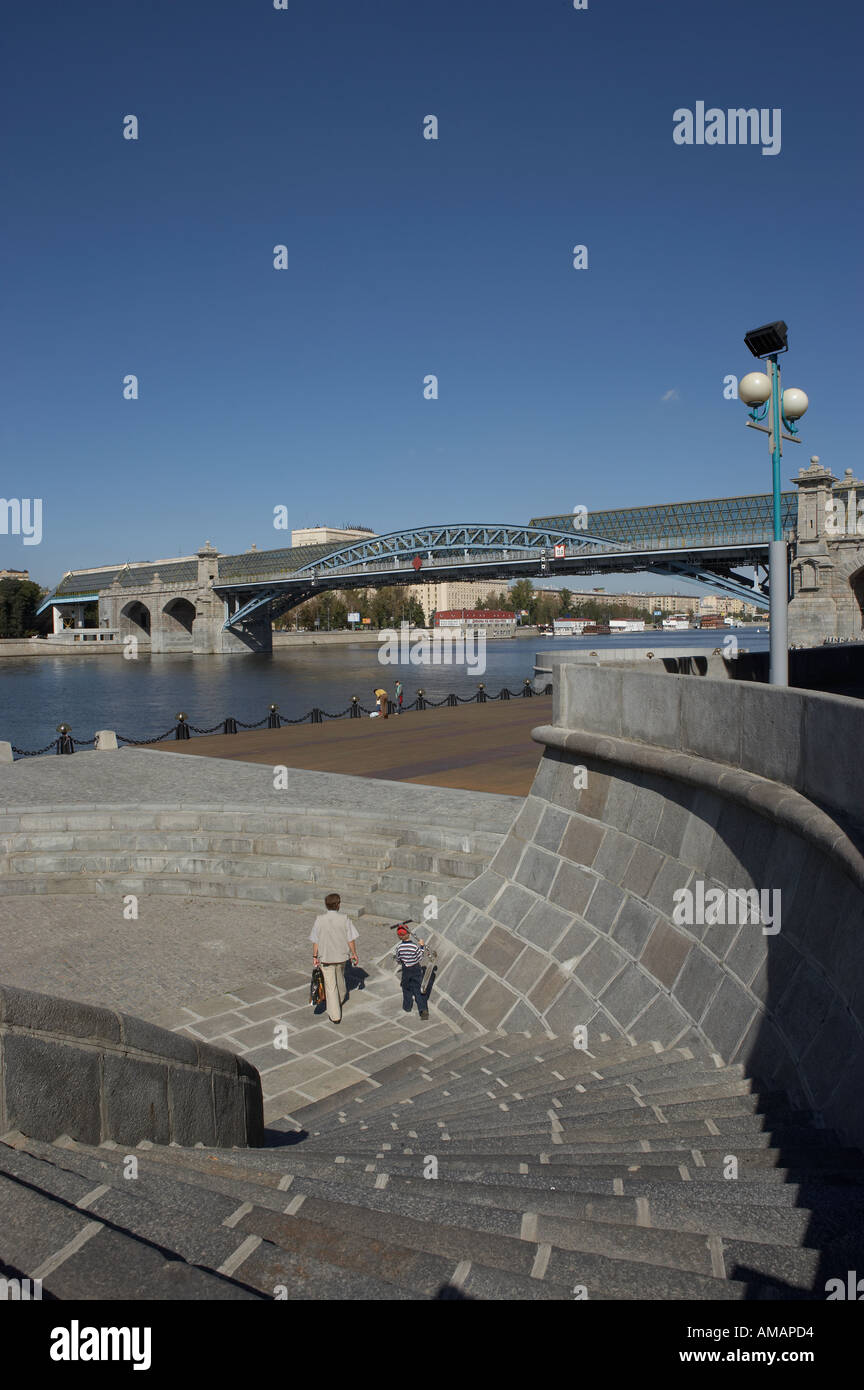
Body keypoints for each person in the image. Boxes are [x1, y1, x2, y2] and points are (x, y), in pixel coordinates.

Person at [310, 892, 359, 1024]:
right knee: (340, 977)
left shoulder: (319, 920)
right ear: (338, 905)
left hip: (325, 957)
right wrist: (354, 953)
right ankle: (341, 998)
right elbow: (351, 939)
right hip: (341, 956)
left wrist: (315, 956)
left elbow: (315, 940)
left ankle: (335, 1015)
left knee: (330, 986)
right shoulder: (345, 919)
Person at [394, 925, 429, 1019]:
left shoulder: (399, 947)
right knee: (418, 990)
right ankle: (423, 1010)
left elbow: (398, 959)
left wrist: (402, 961)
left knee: (406, 989)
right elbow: (420, 957)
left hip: (406, 969)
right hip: (416, 969)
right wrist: (421, 946)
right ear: (409, 934)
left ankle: (407, 1007)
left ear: (399, 936)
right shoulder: (414, 946)